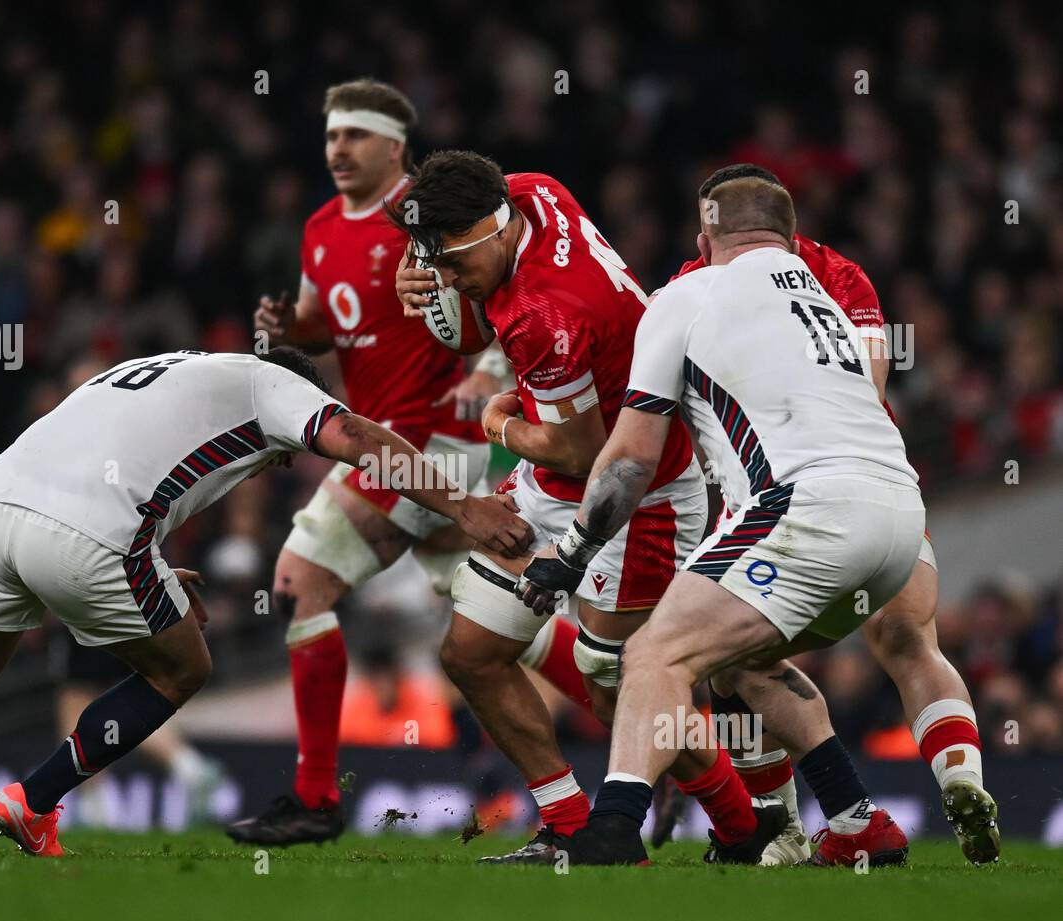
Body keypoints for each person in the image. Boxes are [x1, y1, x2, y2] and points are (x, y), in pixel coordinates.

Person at [0, 348, 531, 855]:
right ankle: (33, 801)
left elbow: (118, 464)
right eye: (280, 459)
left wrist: (147, 568)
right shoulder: (273, 386)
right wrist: (463, 505)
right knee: (183, 667)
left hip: (1, 500)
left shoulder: (166, 370)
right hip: (90, 533)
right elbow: (359, 437)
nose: (272, 469)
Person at [513, 175, 925, 867]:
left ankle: (611, 830)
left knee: (653, 654)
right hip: (900, 521)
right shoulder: (827, 299)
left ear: (703, 242)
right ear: (791, 240)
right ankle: (858, 823)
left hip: (805, 509)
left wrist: (573, 551)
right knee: (742, 662)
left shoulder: (689, 294)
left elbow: (629, 460)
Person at [392, 151, 788, 865]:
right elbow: (468, 301)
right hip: (561, 481)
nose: (448, 279)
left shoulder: (550, 315)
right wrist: (415, 274)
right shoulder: (534, 191)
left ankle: (740, 828)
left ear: (490, 230)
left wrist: (496, 425)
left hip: (636, 497)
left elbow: (578, 451)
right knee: (473, 653)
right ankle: (569, 822)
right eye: (438, 263)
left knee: (622, 695)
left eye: (451, 263)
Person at [227, 81, 588, 849]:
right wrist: (289, 325)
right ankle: (670, 751)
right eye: (331, 136)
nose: (339, 149)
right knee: (508, 625)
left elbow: (493, 290)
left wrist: (490, 373)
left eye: (356, 135)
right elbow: (328, 325)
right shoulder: (322, 229)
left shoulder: (424, 219)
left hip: (426, 442)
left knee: (303, 578)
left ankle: (317, 797)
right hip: (390, 442)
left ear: (396, 147)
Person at [671, 164, 999, 866]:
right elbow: (872, 380)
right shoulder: (840, 275)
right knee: (911, 641)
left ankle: (781, 825)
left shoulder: (693, 284)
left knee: (731, 662)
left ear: (715, 226)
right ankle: (963, 779)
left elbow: (663, 405)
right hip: (883, 486)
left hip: (781, 498)